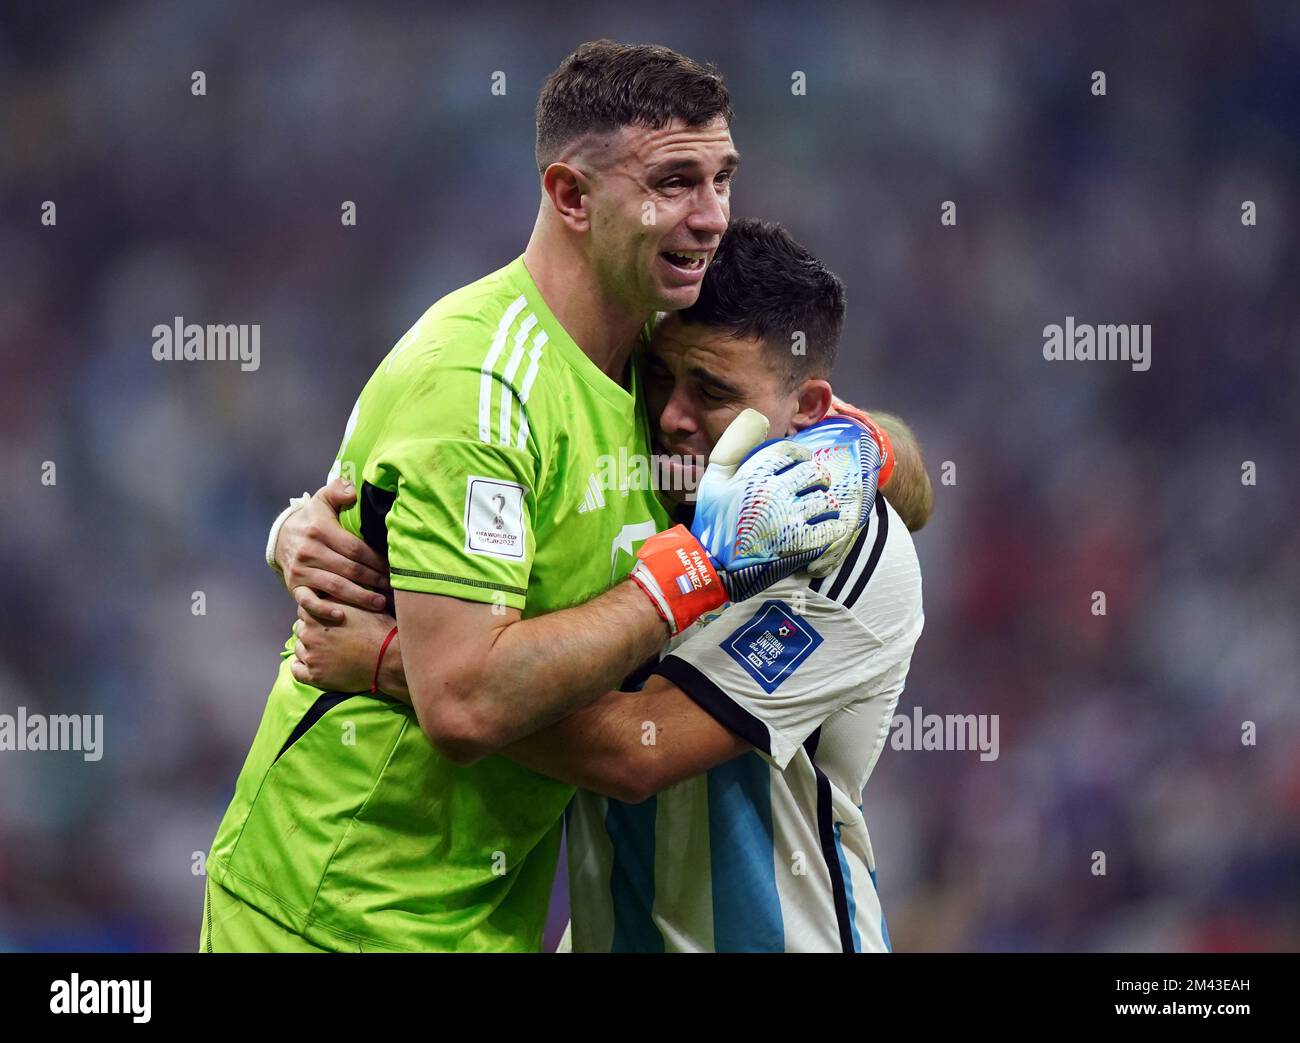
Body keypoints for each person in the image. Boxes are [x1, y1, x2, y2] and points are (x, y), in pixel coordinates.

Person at [202, 41, 874, 954]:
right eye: (675, 181)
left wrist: (864, 449)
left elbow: (848, 432)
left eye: (723, 178)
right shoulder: (484, 384)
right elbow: (466, 704)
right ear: (570, 197)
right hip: (329, 907)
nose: (713, 215)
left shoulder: (659, 376)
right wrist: (696, 572)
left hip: (486, 917)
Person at [282, 219, 928, 951]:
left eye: (711, 391)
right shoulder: (634, 476)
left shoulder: (846, 553)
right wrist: (299, 529)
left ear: (808, 409)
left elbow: (634, 753)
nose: (673, 417)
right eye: (659, 377)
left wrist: (395, 662)